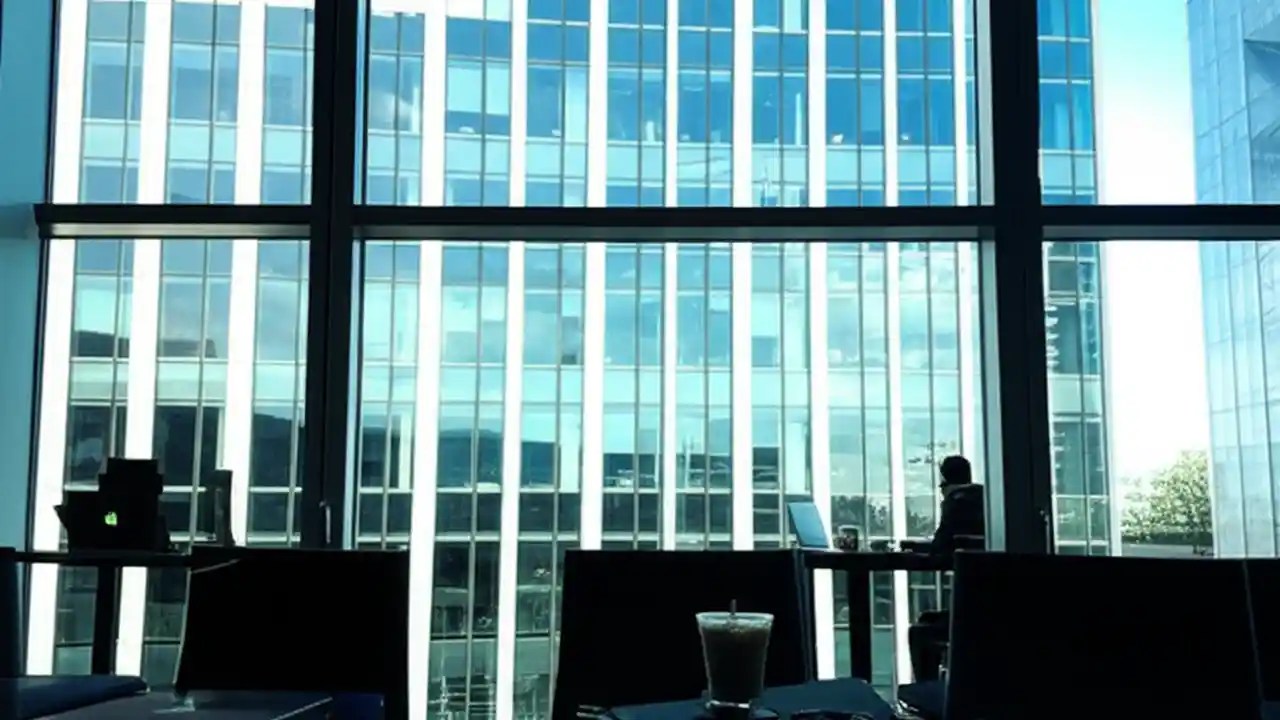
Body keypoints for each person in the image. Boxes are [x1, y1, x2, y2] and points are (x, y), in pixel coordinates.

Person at [906, 455, 984, 681]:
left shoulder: (957, 502)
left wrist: (914, 548)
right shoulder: (985, 499)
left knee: (920, 631)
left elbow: (940, 546)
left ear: (945, 482)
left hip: (971, 615)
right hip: (987, 609)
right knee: (929, 618)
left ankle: (927, 691)